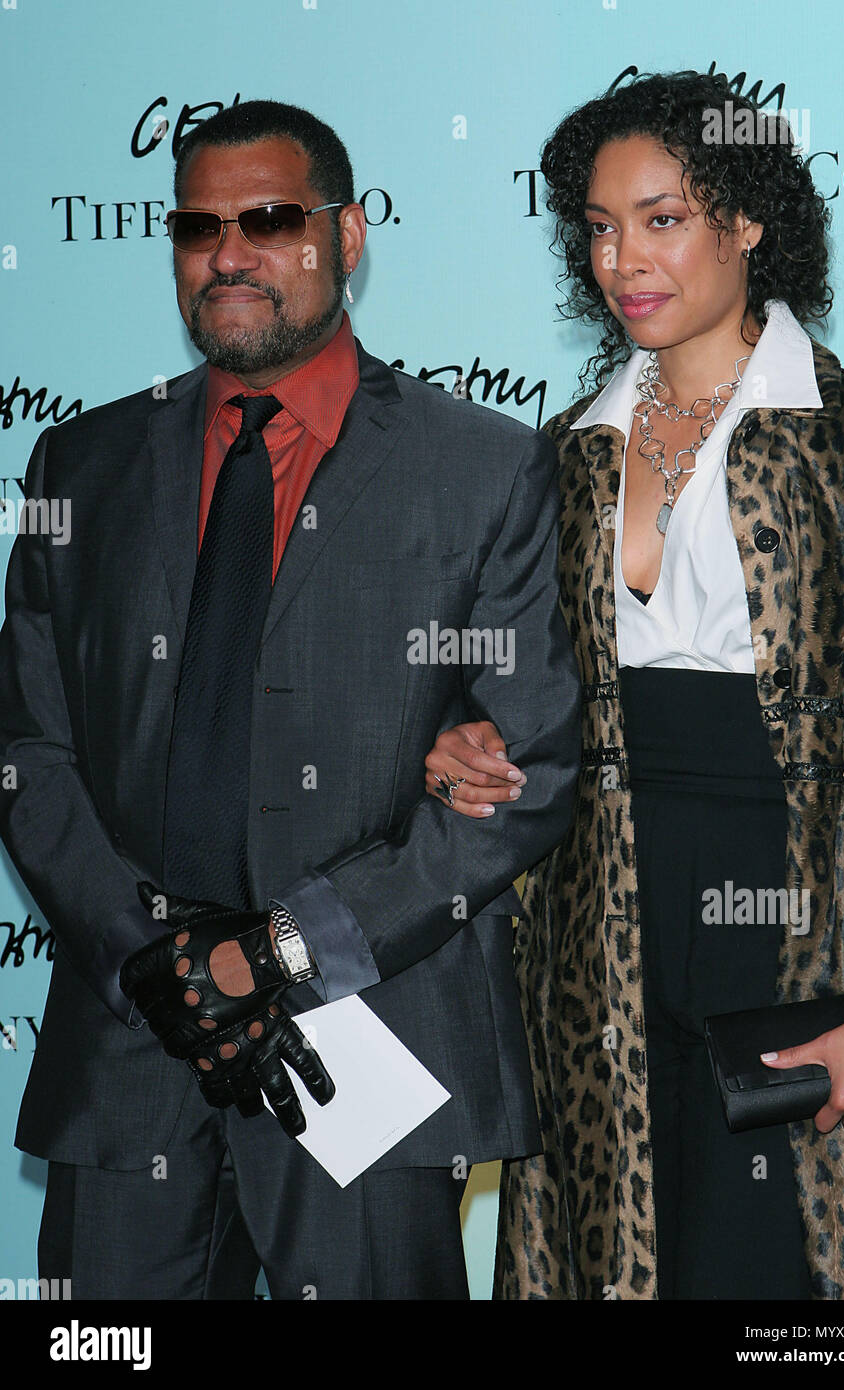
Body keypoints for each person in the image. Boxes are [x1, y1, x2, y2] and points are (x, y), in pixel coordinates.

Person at [0, 99, 582, 1300]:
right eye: (199, 227)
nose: (230, 254)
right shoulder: (82, 465)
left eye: (270, 219)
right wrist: (153, 959)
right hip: (131, 1050)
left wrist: (279, 952)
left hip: (368, 1044)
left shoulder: (480, 468)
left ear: (348, 236)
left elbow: (523, 772)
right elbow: (30, 748)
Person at [423, 71, 844, 1299]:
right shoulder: (557, 453)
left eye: (661, 218)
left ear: (747, 221)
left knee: (788, 1283)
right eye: (598, 227)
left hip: (807, 922)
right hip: (600, 922)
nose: (621, 259)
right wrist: (456, 740)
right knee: (626, 1262)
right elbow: (504, 688)